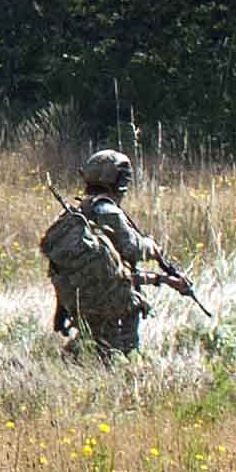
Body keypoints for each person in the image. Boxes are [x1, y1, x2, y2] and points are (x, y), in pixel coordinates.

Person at [41, 148, 178, 356]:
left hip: (80, 300)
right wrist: (152, 247)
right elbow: (133, 248)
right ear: (119, 181)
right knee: (118, 353)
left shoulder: (77, 213)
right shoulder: (108, 211)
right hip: (113, 301)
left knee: (92, 344)